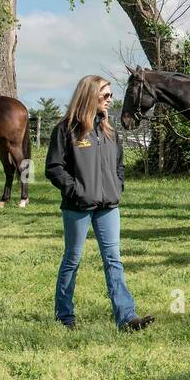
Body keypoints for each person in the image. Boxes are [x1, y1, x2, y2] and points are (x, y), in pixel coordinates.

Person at [45, 75, 154, 332]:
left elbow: (119, 166)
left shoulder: (109, 132)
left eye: (110, 96)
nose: (110, 100)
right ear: (89, 96)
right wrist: (76, 191)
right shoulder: (65, 130)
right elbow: (54, 168)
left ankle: (127, 317)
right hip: (78, 208)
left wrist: (117, 187)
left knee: (114, 260)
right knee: (72, 259)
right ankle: (64, 316)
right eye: (105, 96)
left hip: (109, 207)